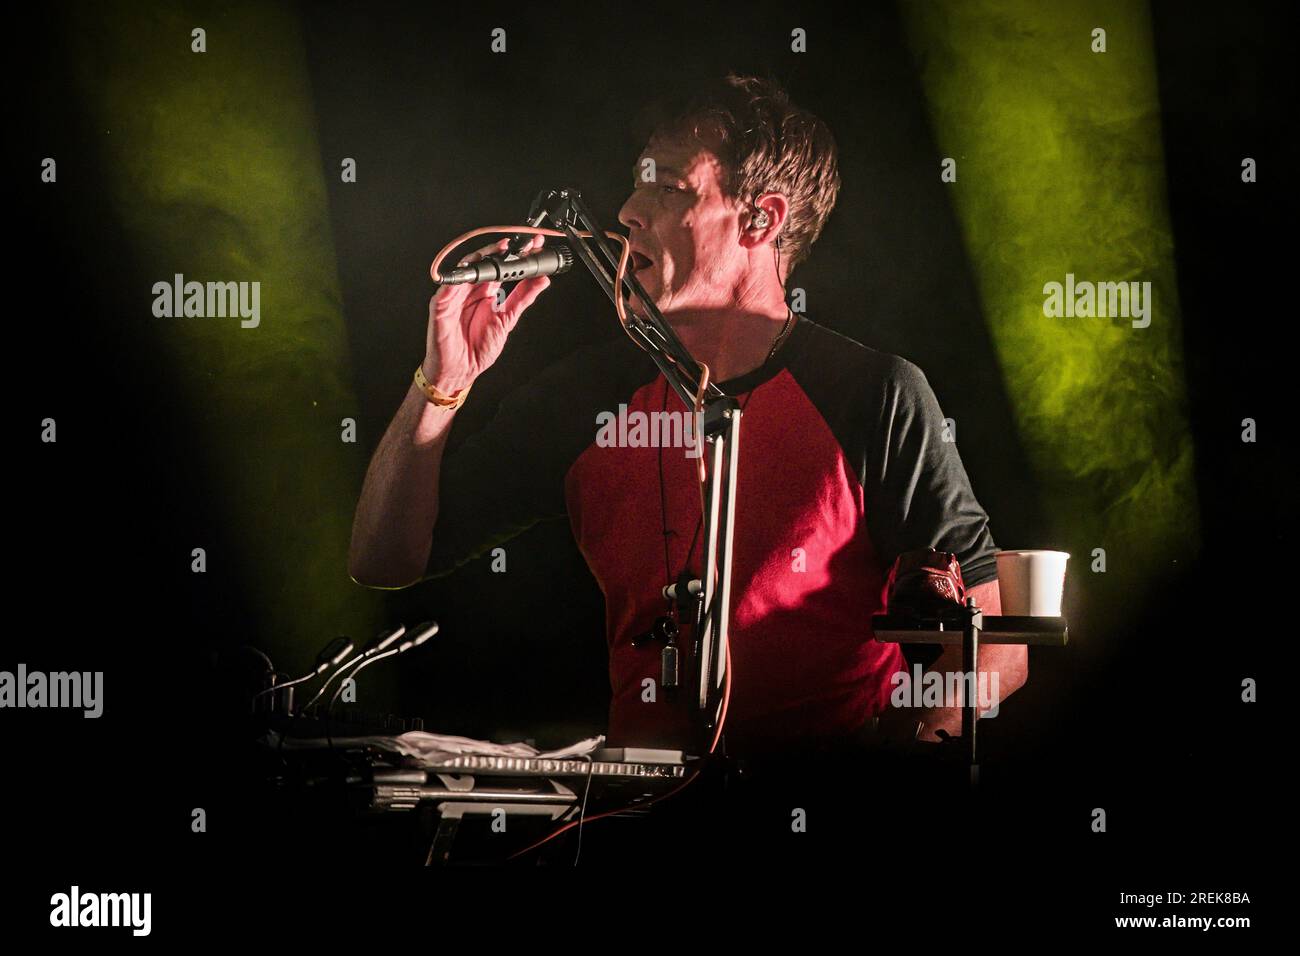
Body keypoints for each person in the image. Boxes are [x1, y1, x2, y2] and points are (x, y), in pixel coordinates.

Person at [348, 74, 1026, 758]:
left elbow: (996, 650)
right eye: (636, 185)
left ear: (762, 219)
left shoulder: (873, 393)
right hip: (635, 811)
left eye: (667, 187)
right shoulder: (587, 398)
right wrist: (443, 384)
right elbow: (383, 558)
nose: (626, 212)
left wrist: (888, 767)